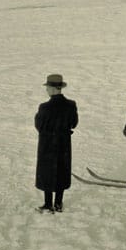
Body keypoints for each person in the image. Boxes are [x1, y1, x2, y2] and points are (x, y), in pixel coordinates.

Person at [35, 74, 79, 212]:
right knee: (61, 170)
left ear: (53, 89)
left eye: (47, 87)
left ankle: (48, 204)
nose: (46, 90)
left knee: (47, 171)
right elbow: (74, 123)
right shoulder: (71, 105)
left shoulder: (44, 108)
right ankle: (58, 203)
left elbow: (39, 125)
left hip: (47, 144)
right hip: (63, 143)